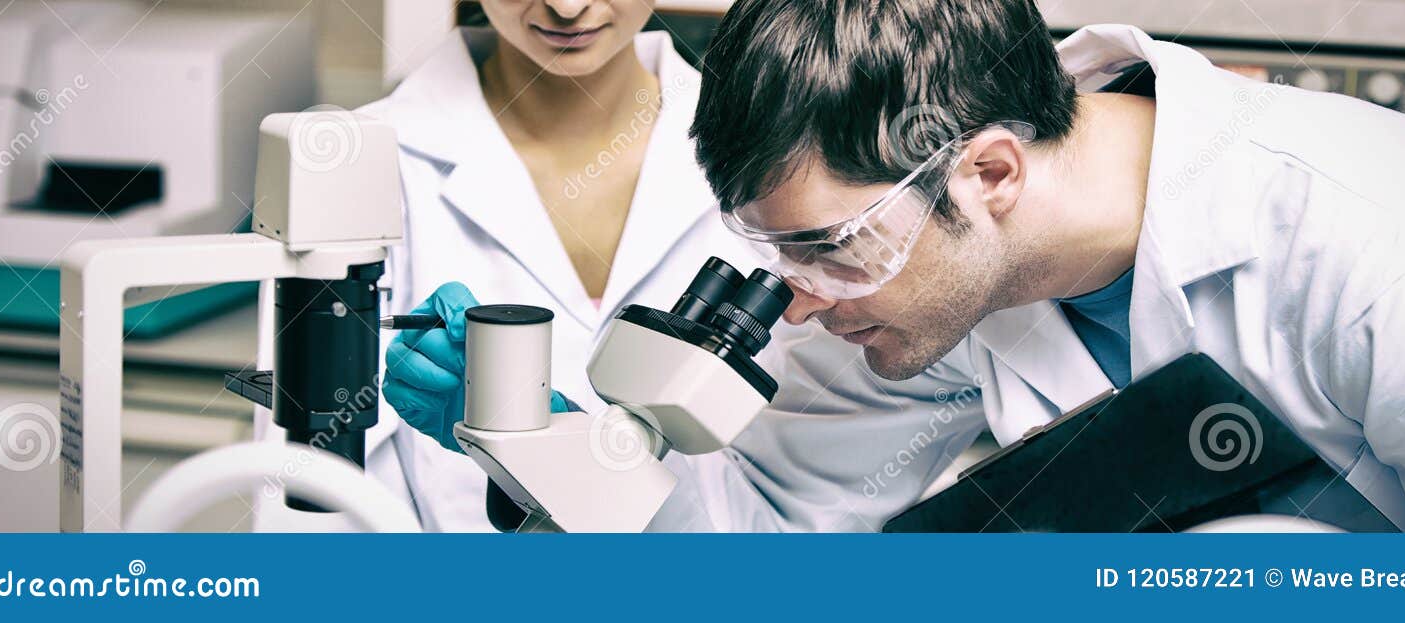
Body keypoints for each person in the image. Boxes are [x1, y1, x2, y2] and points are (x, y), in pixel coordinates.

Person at [680, 0, 1405, 531]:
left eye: (825, 247)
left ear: (992, 173)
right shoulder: (928, 259)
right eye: (776, 253)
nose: (798, 302)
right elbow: (775, 513)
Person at [253, 0, 981, 532]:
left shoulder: (783, 172)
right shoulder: (357, 164)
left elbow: (789, 513)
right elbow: (307, 500)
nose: (568, 7)